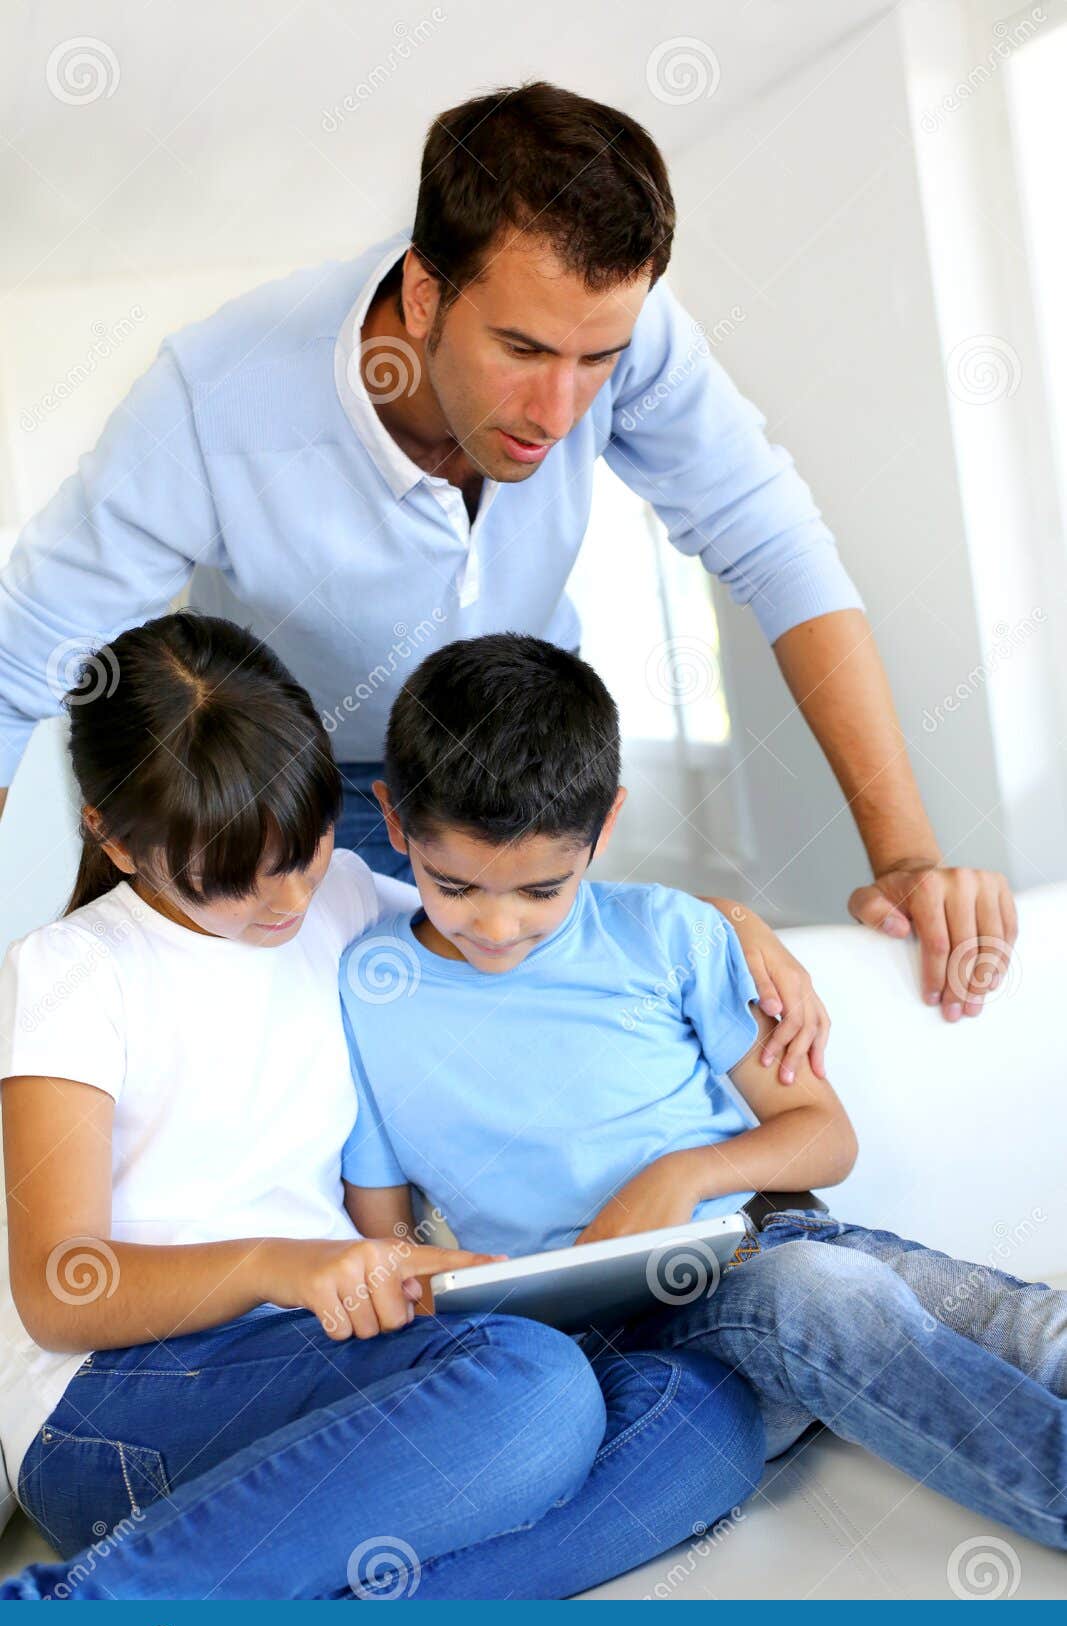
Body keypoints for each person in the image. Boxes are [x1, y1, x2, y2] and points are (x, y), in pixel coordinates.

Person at [0, 81, 1013, 1026]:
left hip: (517, 777)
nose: (560, 410)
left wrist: (907, 856)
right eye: (521, 351)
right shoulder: (214, 399)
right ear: (424, 291)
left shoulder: (629, 337)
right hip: (311, 795)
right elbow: (15, 669)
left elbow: (777, 550)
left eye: (596, 360)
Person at [0, 610, 762, 1602]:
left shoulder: (346, 896)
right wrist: (285, 1265)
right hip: (117, 1405)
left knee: (701, 1408)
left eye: (304, 847)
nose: (281, 901)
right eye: (227, 879)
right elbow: (61, 1290)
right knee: (531, 1387)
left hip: (316, 1359)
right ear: (112, 832)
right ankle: (82, 1620)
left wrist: (734, 925)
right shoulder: (72, 973)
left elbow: (541, 922)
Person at [338, 632, 1067, 1555]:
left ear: (603, 828)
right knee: (815, 1293)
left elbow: (823, 1137)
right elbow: (378, 1229)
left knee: (1017, 1322)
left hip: (776, 1238)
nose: (496, 924)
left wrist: (682, 1175)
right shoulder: (366, 991)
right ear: (393, 823)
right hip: (621, 1344)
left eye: (540, 890)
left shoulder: (668, 934)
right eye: (453, 885)